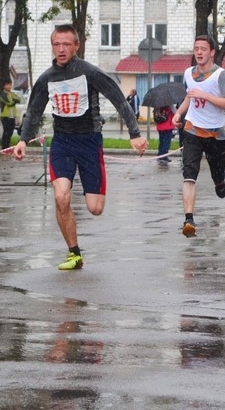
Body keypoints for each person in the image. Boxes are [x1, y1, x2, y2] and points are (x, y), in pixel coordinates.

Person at [13, 24, 147, 271]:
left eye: (66, 44)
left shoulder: (90, 73)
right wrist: (23, 140)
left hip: (89, 141)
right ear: (52, 46)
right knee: (61, 196)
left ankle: (72, 218)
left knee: (95, 208)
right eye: (57, 44)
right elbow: (33, 111)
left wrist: (135, 134)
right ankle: (73, 253)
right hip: (62, 142)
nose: (61, 49)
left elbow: (119, 101)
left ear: (76, 46)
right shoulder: (46, 79)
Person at [172, 35, 225, 237]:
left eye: (203, 49)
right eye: (196, 48)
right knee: (189, 175)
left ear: (212, 52)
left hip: (216, 134)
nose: (199, 52)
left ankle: (220, 181)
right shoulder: (188, 73)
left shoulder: (221, 76)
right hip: (192, 130)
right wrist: (179, 113)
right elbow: (189, 98)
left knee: (218, 175)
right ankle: (188, 219)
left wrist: (205, 95)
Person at [0, 79, 20, 150]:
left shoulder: (12, 93)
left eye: (10, 84)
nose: (9, 86)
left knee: (11, 132)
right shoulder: (3, 94)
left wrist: (14, 100)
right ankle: (4, 147)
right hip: (5, 116)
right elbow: (9, 103)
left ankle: (8, 146)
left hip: (12, 116)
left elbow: (18, 99)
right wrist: (14, 101)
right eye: (7, 85)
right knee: (6, 132)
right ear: (4, 86)